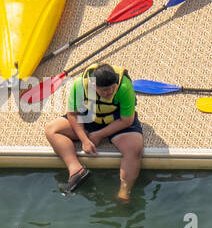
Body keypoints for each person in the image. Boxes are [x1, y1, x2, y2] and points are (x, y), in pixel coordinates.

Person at [44, 64, 143, 201]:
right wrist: (84, 139)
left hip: (116, 122)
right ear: (93, 85)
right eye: (105, 90)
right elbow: (73, 114)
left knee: (135, 148)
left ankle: (124, 192)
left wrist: (98, 135)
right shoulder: (80, 85)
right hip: (89, 118)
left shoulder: (124, 86)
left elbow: (127, 120)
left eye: (112, 88)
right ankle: (76, 170)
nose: (110, 93)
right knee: (51, 129)